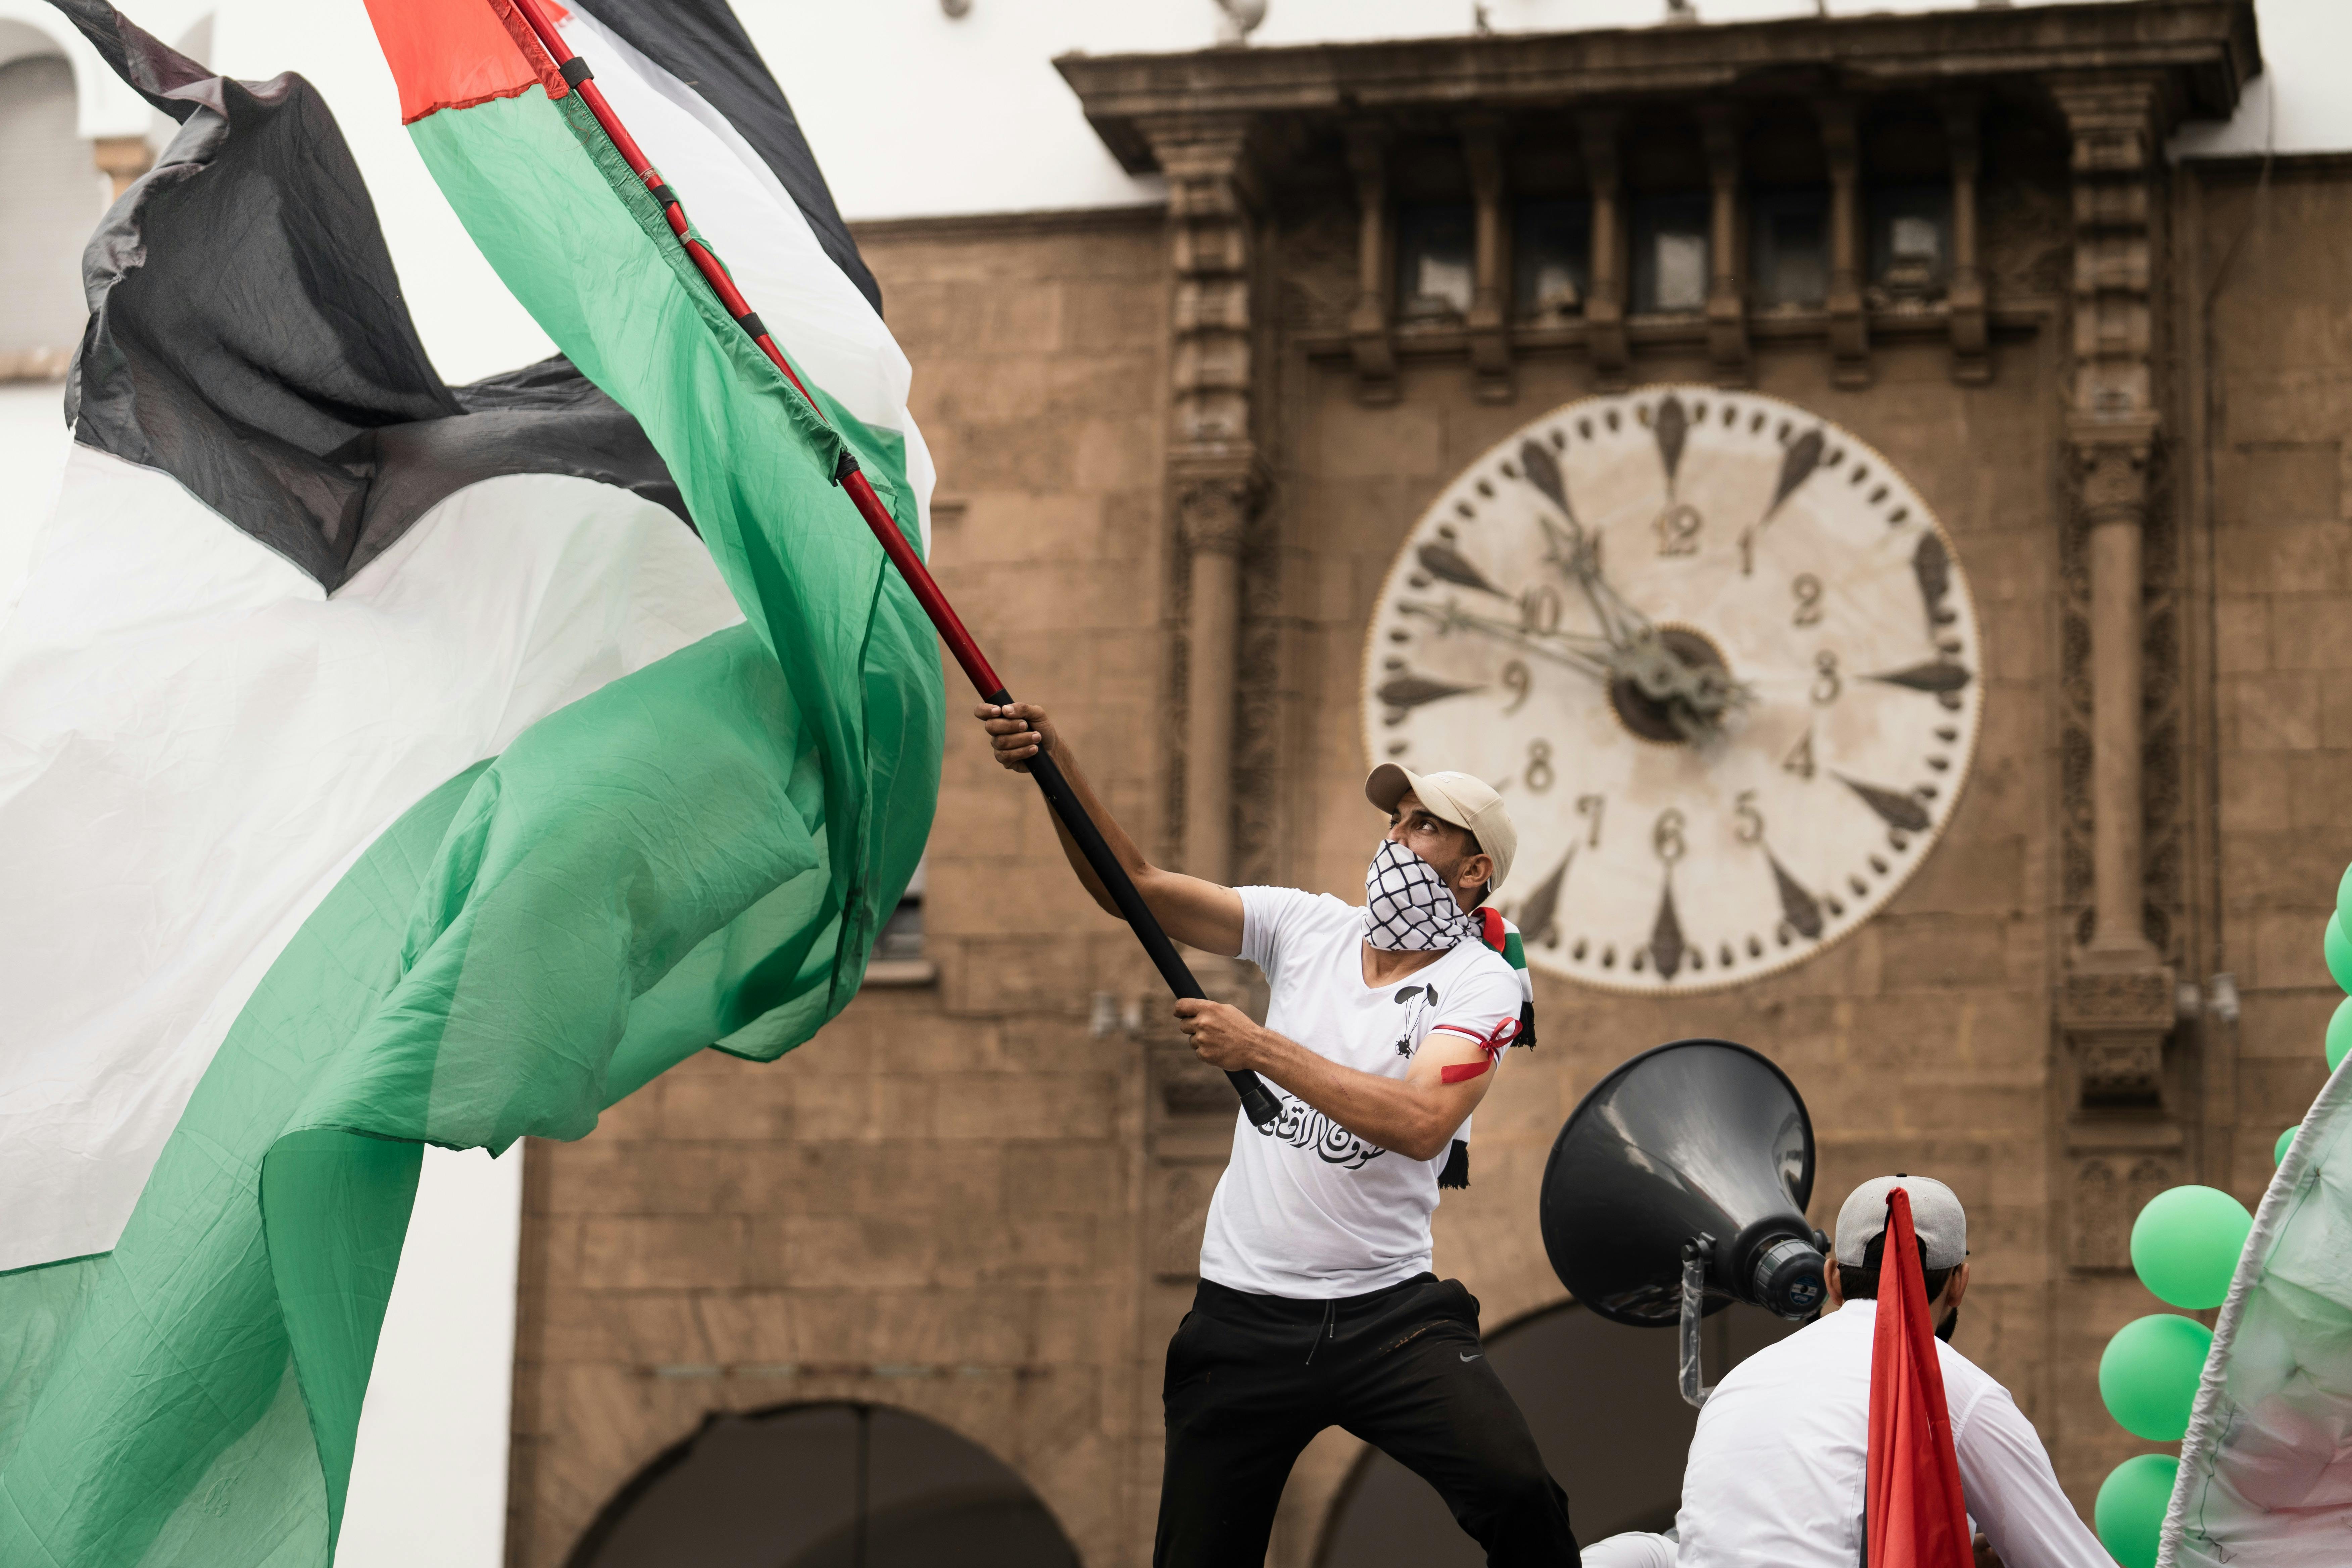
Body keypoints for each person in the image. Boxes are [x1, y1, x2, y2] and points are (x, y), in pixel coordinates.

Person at [977, 698, 1579, 1567]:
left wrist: (1258, 1047)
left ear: (1476, 868)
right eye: (1393, 821)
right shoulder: (1308, 926)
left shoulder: (1484, 986)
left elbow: (1420, 1123)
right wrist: (1054, 765)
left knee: (1523, 1500)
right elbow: (1135, 889)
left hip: (1389, 1321)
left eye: (1423, 827)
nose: (1395, 840)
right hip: (1243, 1322)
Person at [1581, 1176, 2114, 1568]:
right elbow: (2066, 1560)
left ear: (1832, 1276)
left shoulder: (1741, 1378)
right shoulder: (1960, 1390)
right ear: (1959, 1283)